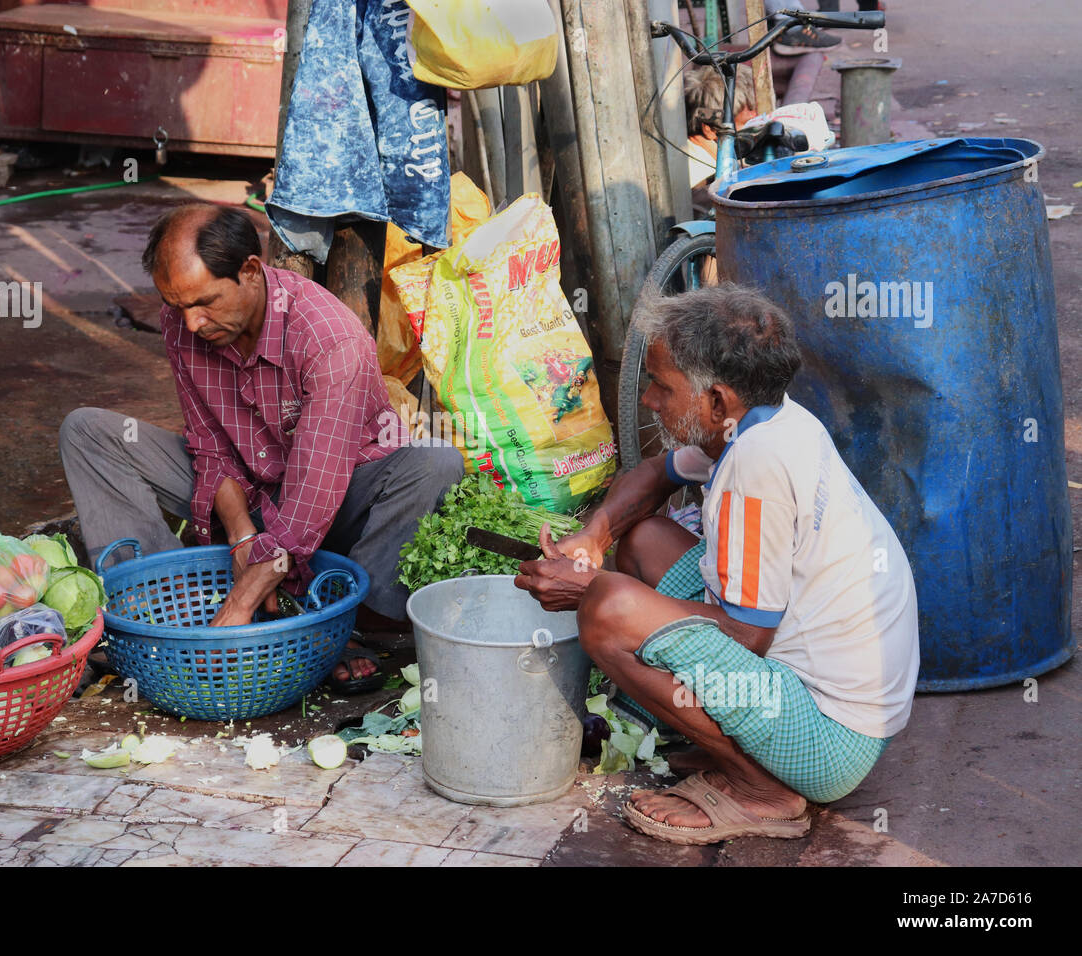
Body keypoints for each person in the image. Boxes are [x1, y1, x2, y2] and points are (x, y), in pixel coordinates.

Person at [514, 285, 919, 844]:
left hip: (830, 740)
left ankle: (762, 788)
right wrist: (594, 534)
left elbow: (746, 636)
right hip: (811, 683)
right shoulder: (768, 418)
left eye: (662, 385)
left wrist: (588, 587)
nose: (649, 400)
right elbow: (657, 475)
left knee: (607, 610)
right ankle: (704, 734)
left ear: (718, 401)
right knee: (642, 542)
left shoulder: (757, 469)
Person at [59, 203, 464, 692]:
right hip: (249, 488)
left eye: (204, 302)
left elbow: (314, 490)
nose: (190, 324)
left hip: (339, 500)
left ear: (251, 271)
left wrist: (242, 602)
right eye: (178, 306)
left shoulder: (328, 338)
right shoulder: (183, 321)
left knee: (435, 462)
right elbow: (209, 447)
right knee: (86, 432)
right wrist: (242, 535)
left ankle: (342, 621)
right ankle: (154, 608)